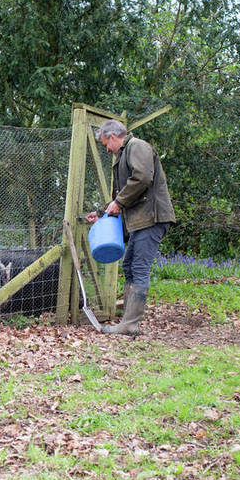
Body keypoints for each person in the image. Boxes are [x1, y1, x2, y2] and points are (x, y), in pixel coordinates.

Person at [85, 119, 175, 335]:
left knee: (139, 267)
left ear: (114, 137)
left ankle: (130, 324)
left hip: (152, 217)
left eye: (106, 144)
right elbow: (123, 194)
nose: (106, 149)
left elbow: (142, 178)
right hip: (141, 220)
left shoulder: (138, 147)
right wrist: (101, 213)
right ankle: (128, 321)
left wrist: (119, 203)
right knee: (129, 267)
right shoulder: (124, 153)